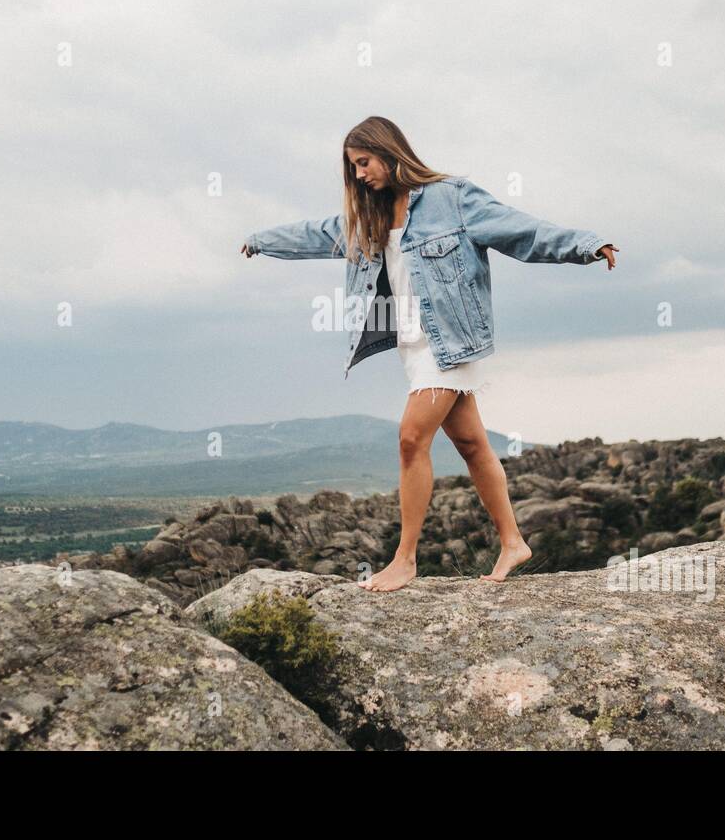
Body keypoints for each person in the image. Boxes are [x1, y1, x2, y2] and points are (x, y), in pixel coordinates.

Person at [242, 116, 618, 592]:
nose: (359, 175)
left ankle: (405, 559)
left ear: (389, 151)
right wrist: (261, 241)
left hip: (452, 341)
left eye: (364, 162)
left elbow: (520, 229)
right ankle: (513, 541)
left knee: (410, 438)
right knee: (472, 444)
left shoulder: (452, 197)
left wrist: (585, 245)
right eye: (352, 168)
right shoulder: (372, 216)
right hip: (414, 346)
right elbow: (319, 234)